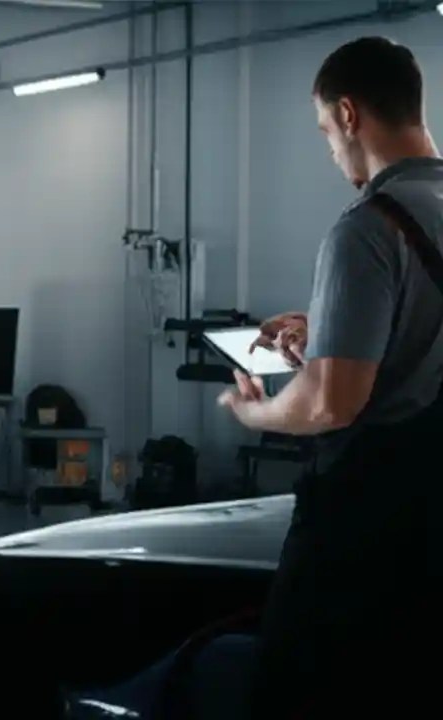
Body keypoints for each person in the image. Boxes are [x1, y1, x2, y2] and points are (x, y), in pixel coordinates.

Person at [218, 36, 442, 716]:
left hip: (367, 535)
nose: (330, 151)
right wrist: (331, 333)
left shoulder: (368, 229)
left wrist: (253, 409)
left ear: (349, 116)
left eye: (323, 131)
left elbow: (329, 406)